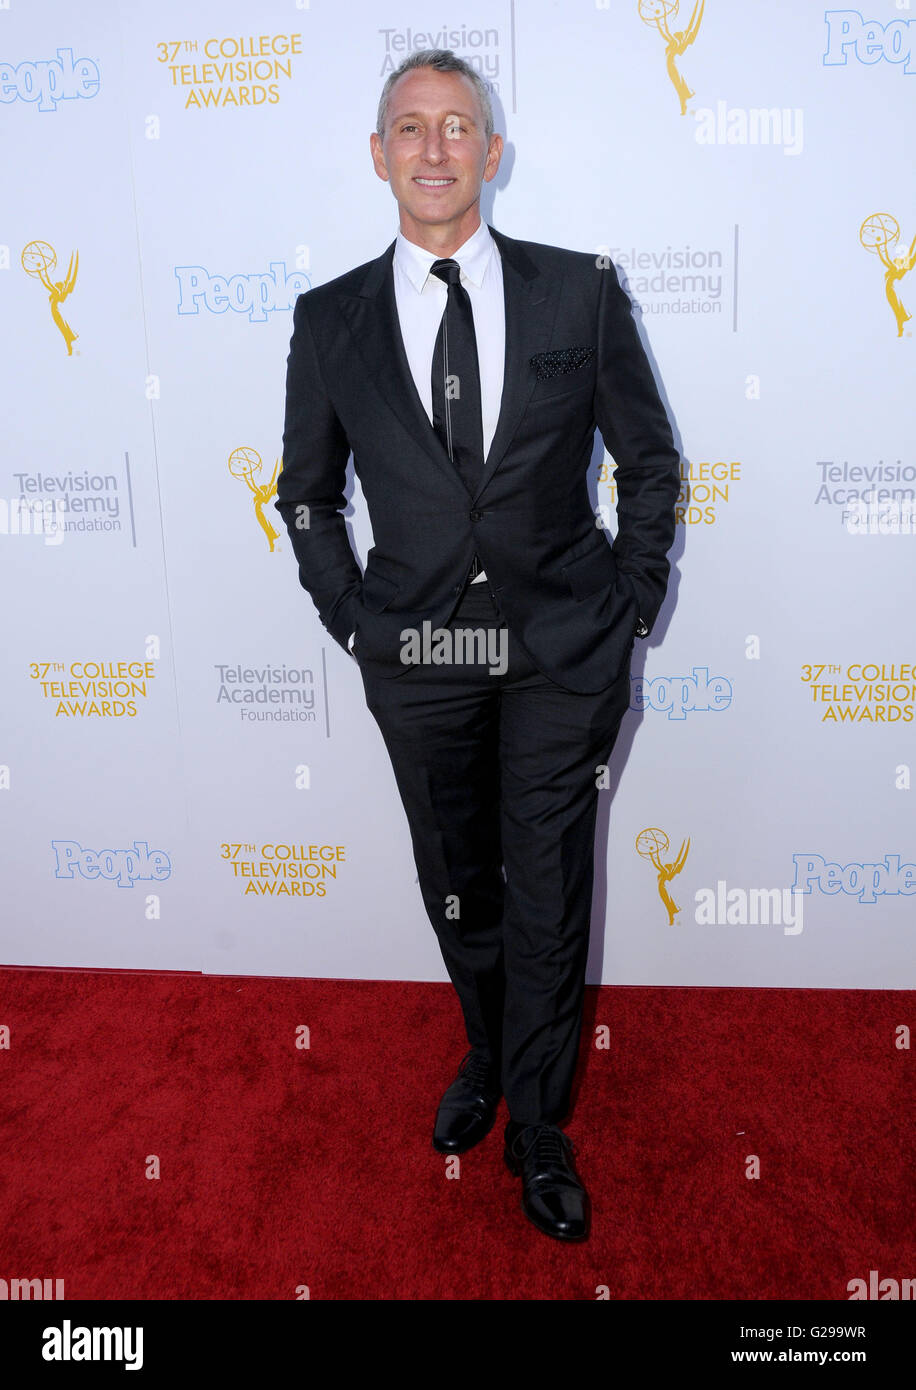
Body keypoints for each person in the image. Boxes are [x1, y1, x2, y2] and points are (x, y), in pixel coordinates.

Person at [276, 49, 680, 1241]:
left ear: (494, 154)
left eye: (460, 127)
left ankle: (542, 1124)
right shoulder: (328, 318)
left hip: (562, 649)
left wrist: (633, 603)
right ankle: (487, 1050)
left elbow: (650, 462)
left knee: (550, 889)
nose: (437, 148)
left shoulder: (579, 292)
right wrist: (354, 619)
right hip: (421, 658)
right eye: (412, 127)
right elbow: (306, 494)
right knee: (461, 886)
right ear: (380, 155)